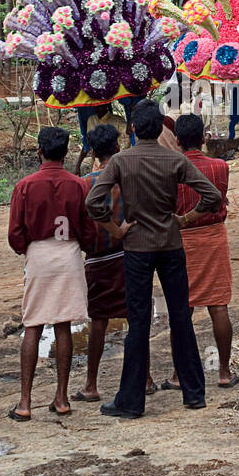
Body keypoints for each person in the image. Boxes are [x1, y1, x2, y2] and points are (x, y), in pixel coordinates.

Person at [85, 99, 222, 418]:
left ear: (132, 128)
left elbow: (94, 202)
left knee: (139, 321)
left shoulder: (120, 161)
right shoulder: (174, 160)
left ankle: (131, 401)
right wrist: (185, 219)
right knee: (180, 317)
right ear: (161, 126)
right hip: (171, 244)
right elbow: (212, 196)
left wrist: (115, 229)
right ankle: (194, 393)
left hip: (136, 247)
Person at [7, 126, 95, 420]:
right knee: (62, 323)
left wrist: (28, 250)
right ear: (66, 150)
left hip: (40, 253)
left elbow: (15, 233)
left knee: (32, 324)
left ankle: (25, 402)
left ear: (39, 151)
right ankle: (61, 398)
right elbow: (87, 227)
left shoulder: (25, 186)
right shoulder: (78, 184)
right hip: (68, 251)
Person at [72, 125, 156, 402]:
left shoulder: (85, 183)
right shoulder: (131, 178)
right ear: (118, 148)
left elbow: (81, 224)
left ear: (93, 153)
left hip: (97, 258)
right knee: (137, 317)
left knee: (98, 320)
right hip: (131, 254)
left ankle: (91, 384)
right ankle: (145, 378)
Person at [168, 113, 238, 389]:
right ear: (203, 137)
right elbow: (218, 198)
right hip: (213, 236)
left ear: (177, 141)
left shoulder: (171, 170)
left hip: (182, 239)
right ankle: (223, 372)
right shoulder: (220, 167)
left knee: (182, 309)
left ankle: (177, 374)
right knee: (219, 305)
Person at [74, 103, 114, 174]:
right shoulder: (90, 120)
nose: (97, 108)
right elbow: (87, 142)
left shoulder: (116, 122)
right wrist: (78, 165)